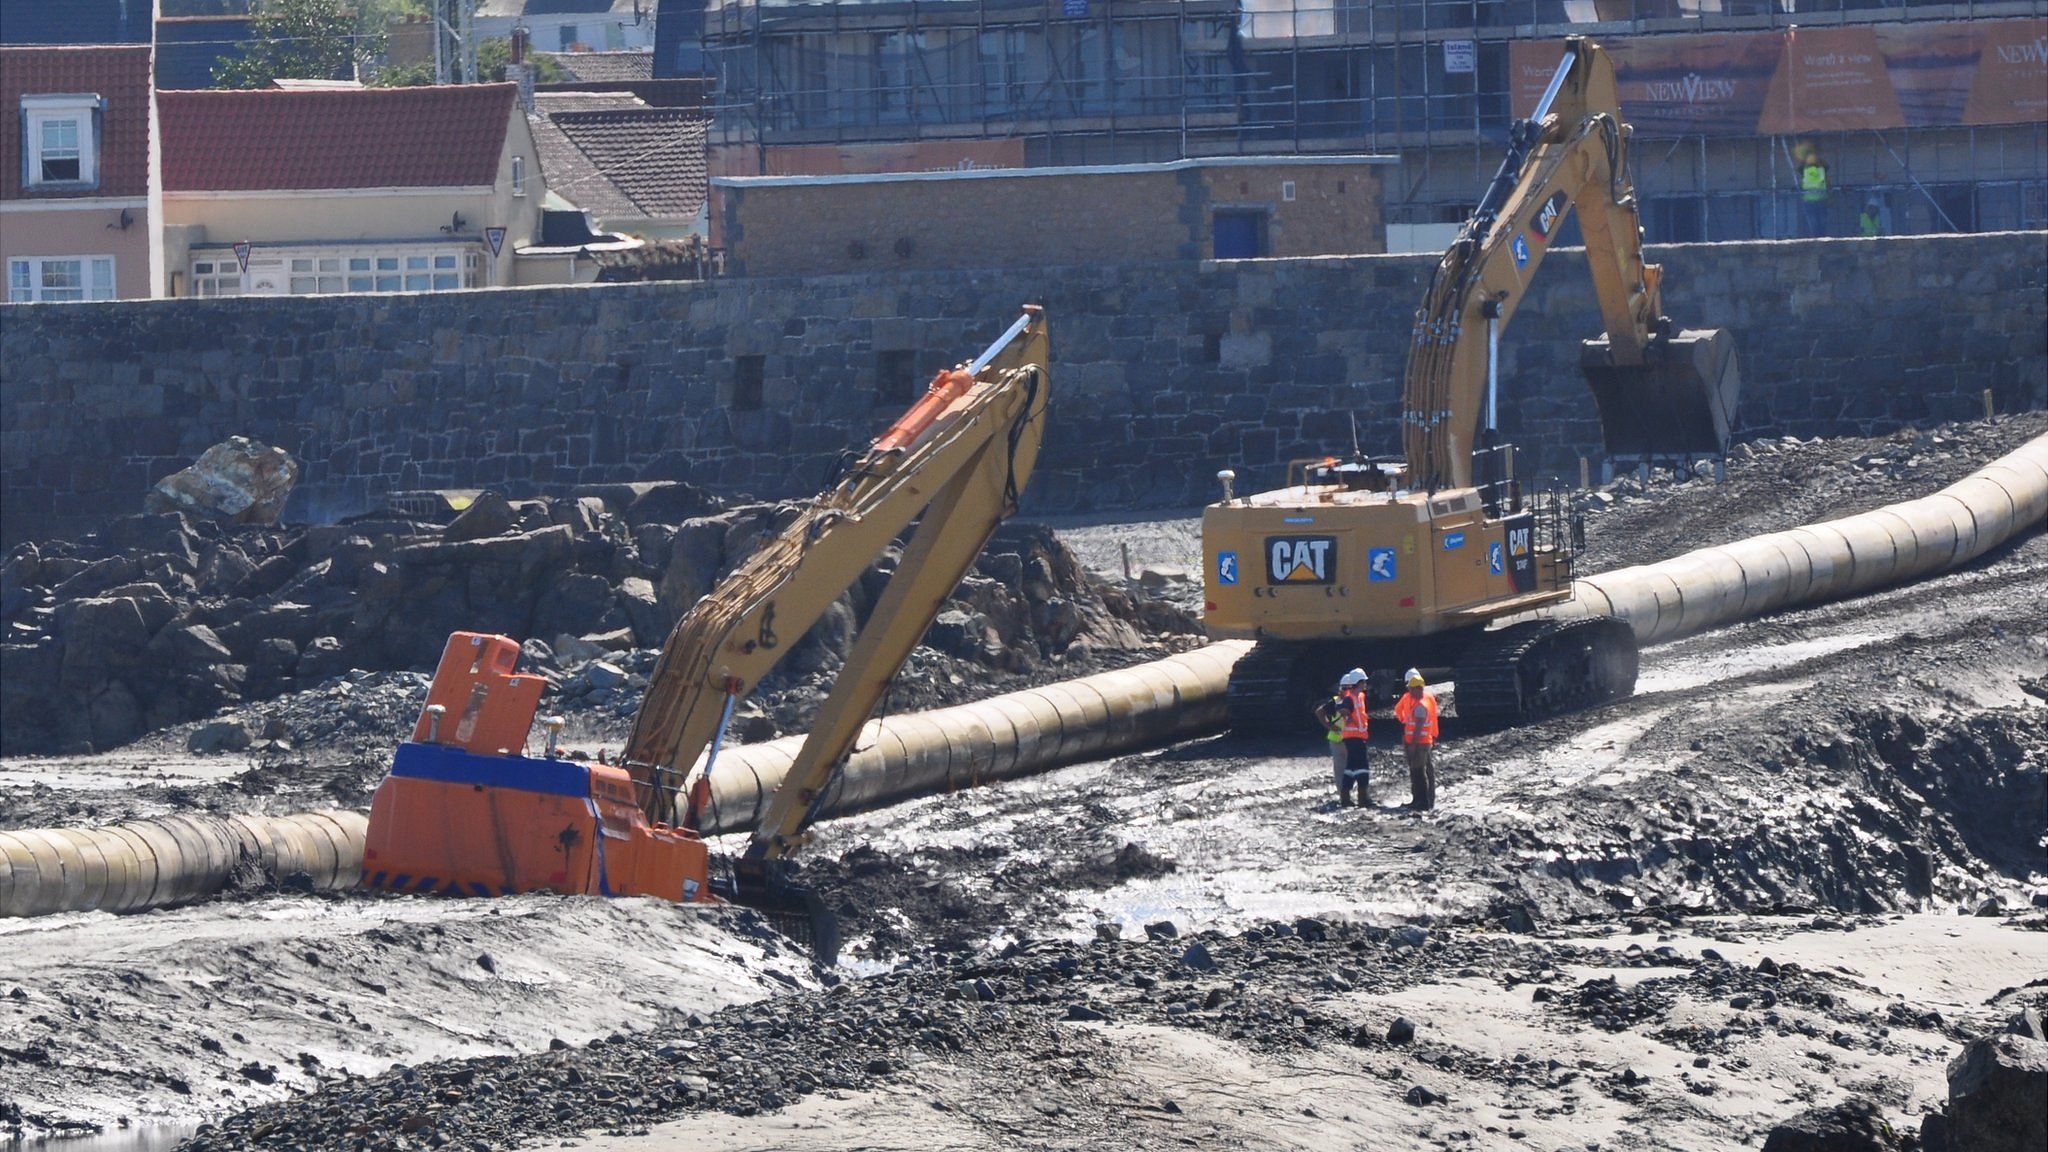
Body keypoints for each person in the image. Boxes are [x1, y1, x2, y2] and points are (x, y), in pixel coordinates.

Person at [1313, 668, 1373, 807]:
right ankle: (1351, 797)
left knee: (1350, 768)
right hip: (1342, 740)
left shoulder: (1355, 698)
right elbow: (1321, 712)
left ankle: (1350, 797)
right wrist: (1331, 725)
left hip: (1348, 738)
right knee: (1352, 768)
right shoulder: (1342, 701)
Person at [1393, 668, 1439, 811]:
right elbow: (1432, 717)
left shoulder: (1416, 701)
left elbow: (1416, 721)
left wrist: (1405, 723)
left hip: (1419, 740)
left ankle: (1422, 801)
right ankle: (1426, 800)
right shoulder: (1429, 697)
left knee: (1419, 770)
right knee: (1423, 770)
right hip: (1426, 737)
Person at [1798, 145, 1830, 238]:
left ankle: (1815, 237)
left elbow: (1799, 168)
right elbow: (1827, 166)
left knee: (1813, 221)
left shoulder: (1805, 171)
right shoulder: (1821, 170)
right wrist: (1818, 159)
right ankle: (1821, 236)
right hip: (1821, 199)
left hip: (1809, 199)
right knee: (1822, 221)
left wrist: (1805, 160)